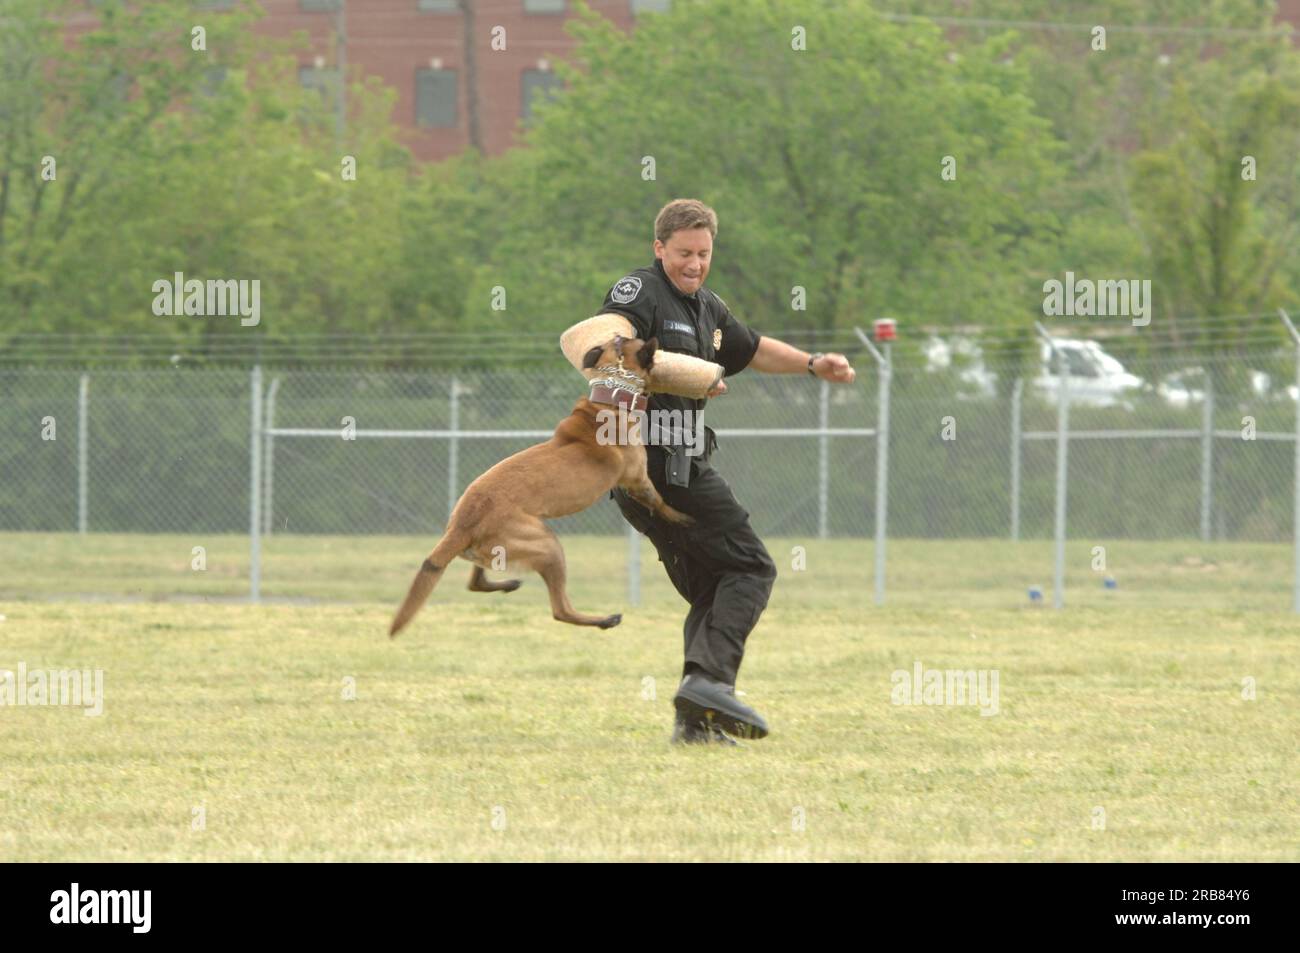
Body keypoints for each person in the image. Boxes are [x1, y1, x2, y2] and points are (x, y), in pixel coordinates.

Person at [559, 199, 856, 745]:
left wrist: (813, 364)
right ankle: (713, 684)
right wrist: (682, 372)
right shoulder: (642, 291)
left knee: (715, 587)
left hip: (657, 476)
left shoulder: (708, 309)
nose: (694, 264)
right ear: (659, 249)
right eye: (683, 254)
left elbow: (754, 349)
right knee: (751, 569)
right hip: (660, 466)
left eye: (703, 254)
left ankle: (696, 718)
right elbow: (610, 340)